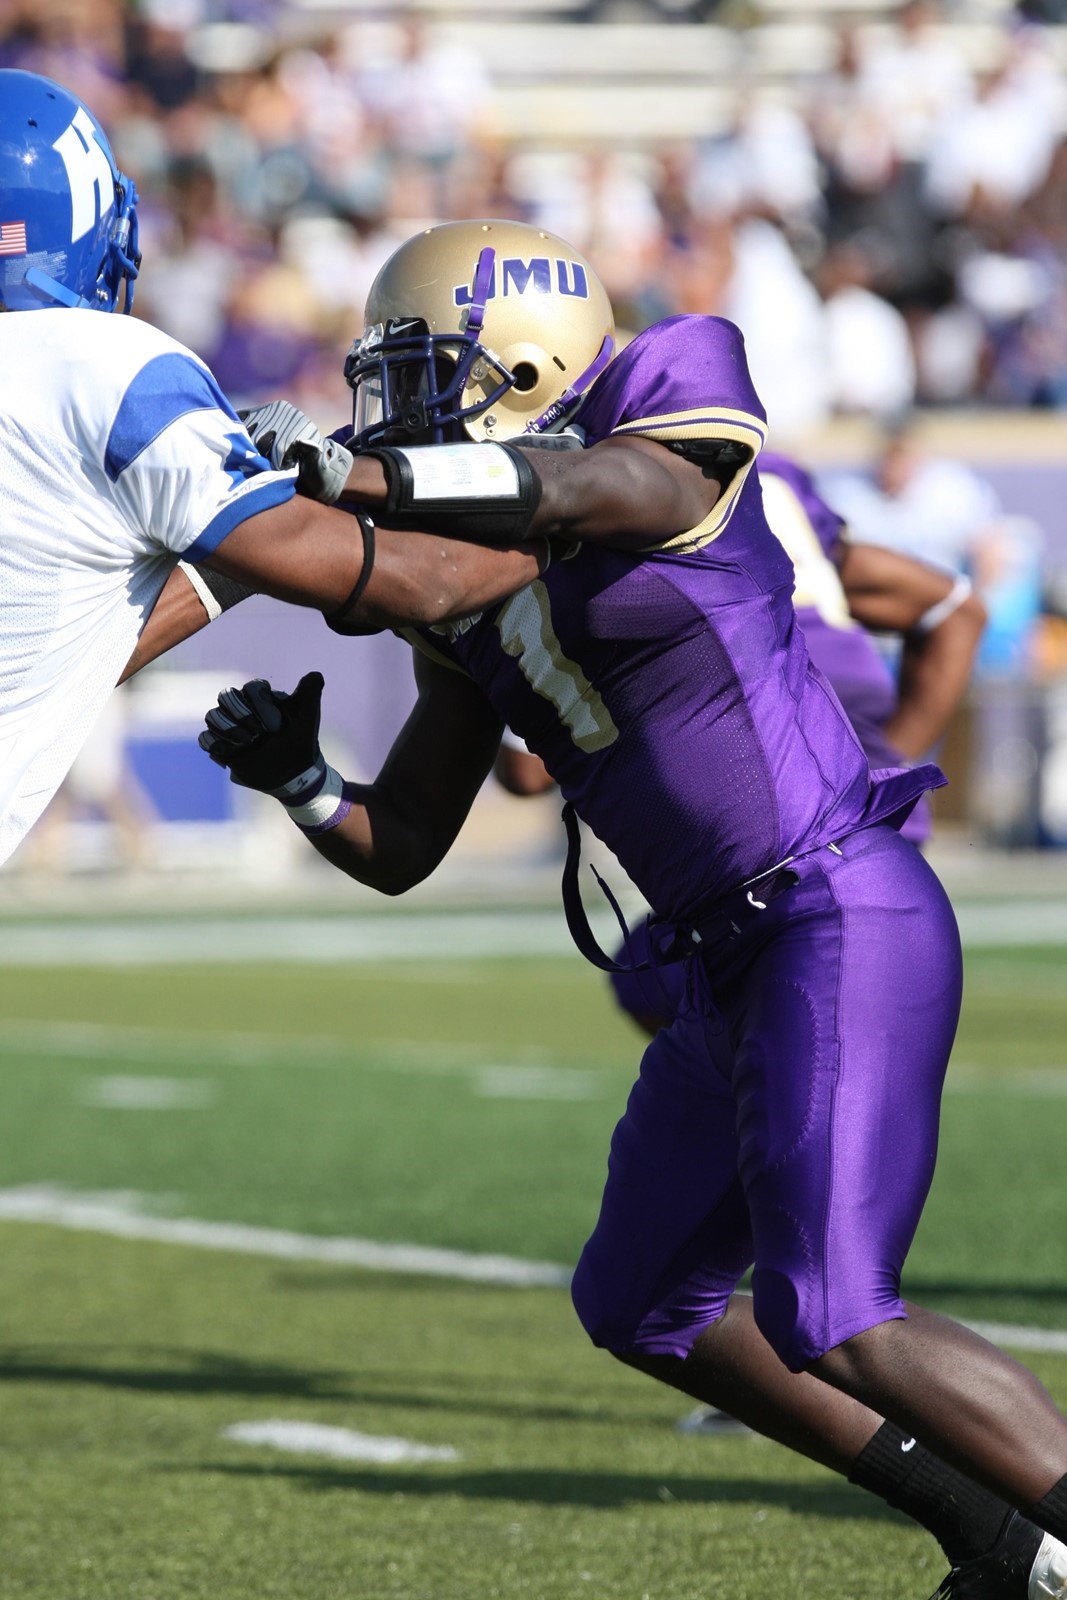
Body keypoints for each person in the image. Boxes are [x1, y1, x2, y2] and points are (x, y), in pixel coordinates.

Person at [178, 217, 1067, 1600]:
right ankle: (998, 1541)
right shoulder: (463, 582)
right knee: (640, 1299)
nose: (392, 403)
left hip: (828, 906)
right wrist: (300, 780)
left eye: (421, 371)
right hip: (715, 959)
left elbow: (592, 485)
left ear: (529, 364)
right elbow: (402, 840)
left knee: (835, 1310)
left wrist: (358, 475)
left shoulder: (659, 423)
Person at [0, 72, 546, 868]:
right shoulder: (105, 367)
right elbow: (416, 587)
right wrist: (555, 518)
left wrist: (265, 518)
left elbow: (58, 659)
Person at [495, 448, 987, 1036]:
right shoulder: (760, 471)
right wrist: (884, 768)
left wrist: (484, 668)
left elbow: (527, 773)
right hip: (861, 820)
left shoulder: (598, 490)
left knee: (662, 982)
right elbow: (955, 609)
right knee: (678, 990)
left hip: (782, 837)